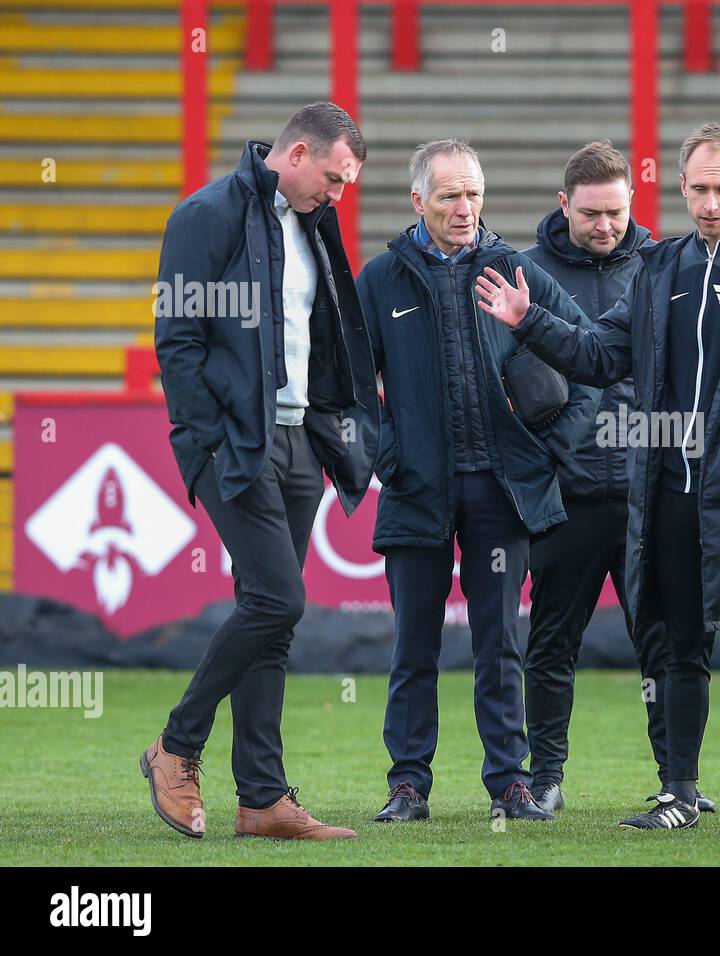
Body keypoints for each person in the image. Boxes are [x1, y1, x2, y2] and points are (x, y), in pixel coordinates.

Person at [477, 124, 720, 833]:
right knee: (680, 645)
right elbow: (597, 355)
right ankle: (679, 792)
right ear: (680, 187)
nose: (711, 202)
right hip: (673, 495)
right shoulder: (662, 269)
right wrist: (530, 321)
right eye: (699, 188)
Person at [145, 101, 377, 841]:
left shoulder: (311, 221)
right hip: (233, 444)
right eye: (334, 179)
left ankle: (263, 799)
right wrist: (207, 438)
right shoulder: (205, 214)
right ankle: (175, 746)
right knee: (279, 599)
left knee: (270, 618)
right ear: (299, 152)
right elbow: (175, 340)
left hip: (298, 440)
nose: (338, 195)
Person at [359, 139, 599, 824]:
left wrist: (548, 449)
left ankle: (510, 783)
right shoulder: (380, 281)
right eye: (448, 197)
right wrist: (389, 456)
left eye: (472, 195)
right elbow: (344, 387)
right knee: (413, 644)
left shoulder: (515, 270)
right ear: (417, 202)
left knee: (500, 645)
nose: (465, 209)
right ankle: (408, 785)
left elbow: (590, 360)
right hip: (416, 488)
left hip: (503, 490)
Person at [520, 141, 687, 812]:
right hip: (566, 494)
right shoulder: (523, 274)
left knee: (666, 646)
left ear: (633, 204)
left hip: (649, 493)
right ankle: (547, 778)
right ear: (564, 205)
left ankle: (678, 780)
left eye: (616, 212)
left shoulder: (664, 268)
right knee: (552, 642)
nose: (605, 226)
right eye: (590, 213)